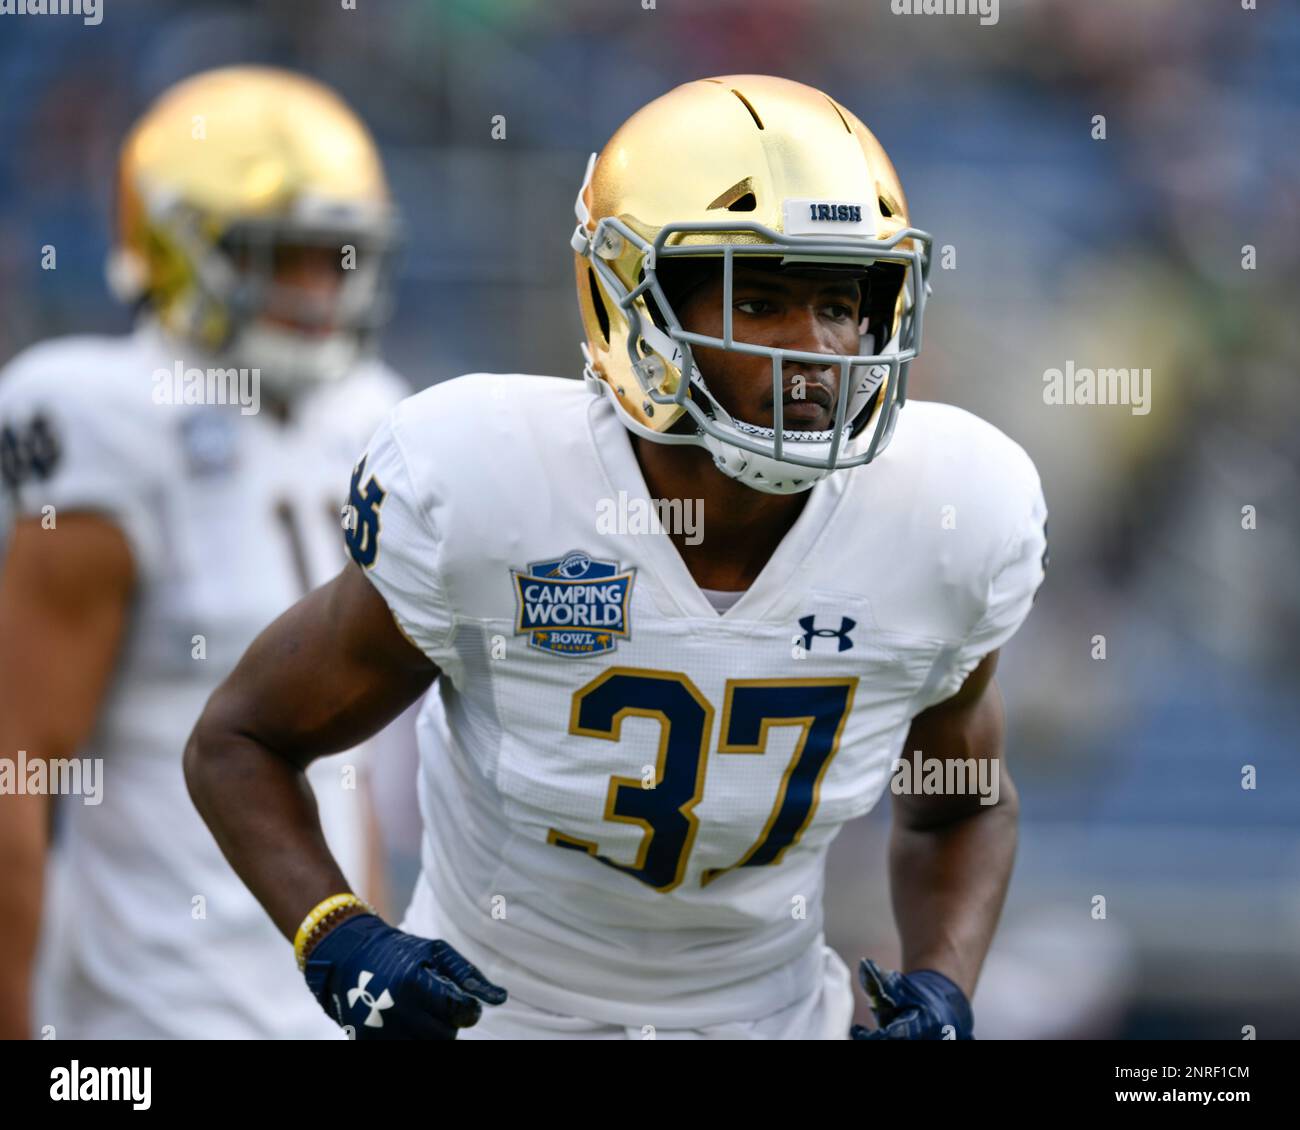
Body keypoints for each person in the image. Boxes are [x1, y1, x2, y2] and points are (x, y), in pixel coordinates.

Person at [185, 74, 1048, 1040]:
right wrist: (338, 936)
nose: (816, 349)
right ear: (633, 305)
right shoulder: (492, 482)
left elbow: (959, 808)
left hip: (774, 1020)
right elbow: (242, 741)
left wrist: (944, 985)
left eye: (841, 303)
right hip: (494, 1016)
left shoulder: (949, 513)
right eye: (757, 300)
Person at [0, 65, 408, 1039]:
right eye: (280, 257)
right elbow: (17, 770)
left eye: (333, 258)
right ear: (181, 251)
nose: (317, 290)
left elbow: (351, 787)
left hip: (319, 1001)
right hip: (147, 1015)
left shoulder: (378, 417)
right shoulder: (106, 412)